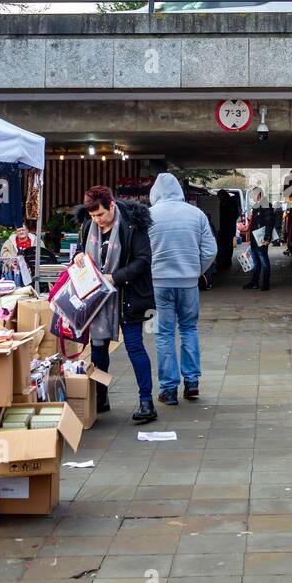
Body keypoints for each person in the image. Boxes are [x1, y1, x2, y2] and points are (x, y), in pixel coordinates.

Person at [74, 185, 157, 424]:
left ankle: (146, 402)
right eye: (92, 216)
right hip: (98, 299)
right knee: (98, 348)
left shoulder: (133, 224)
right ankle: (101, 398)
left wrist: (115, 277)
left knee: (134, 346)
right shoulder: (88, 224)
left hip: (129, 296)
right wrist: (78, 255)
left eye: (100, 214)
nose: (97, 220)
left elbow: (143, 260)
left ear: (111, 205)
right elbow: (81, 249)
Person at [147, 173, 217, 405]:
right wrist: (196, 271)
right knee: (189, 328)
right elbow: (210, 250)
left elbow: (141, 253)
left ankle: (168, 389)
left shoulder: (148, 216)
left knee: (163, 334)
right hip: (188, 284)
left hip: (159, 284)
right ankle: (192, 381)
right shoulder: (196, 214)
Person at [244, 186, 276, 291]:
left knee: (264, 261)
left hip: (262, 239)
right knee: (256, 262)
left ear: (259, 194)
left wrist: (267, 238)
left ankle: (265, 284)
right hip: (255, 239)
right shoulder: (256, 206)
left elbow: (269, 223)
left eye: (253, 194)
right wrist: (250, 238)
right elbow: (253, 224)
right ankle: (254, 283)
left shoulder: (266, 206)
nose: (252, 196)